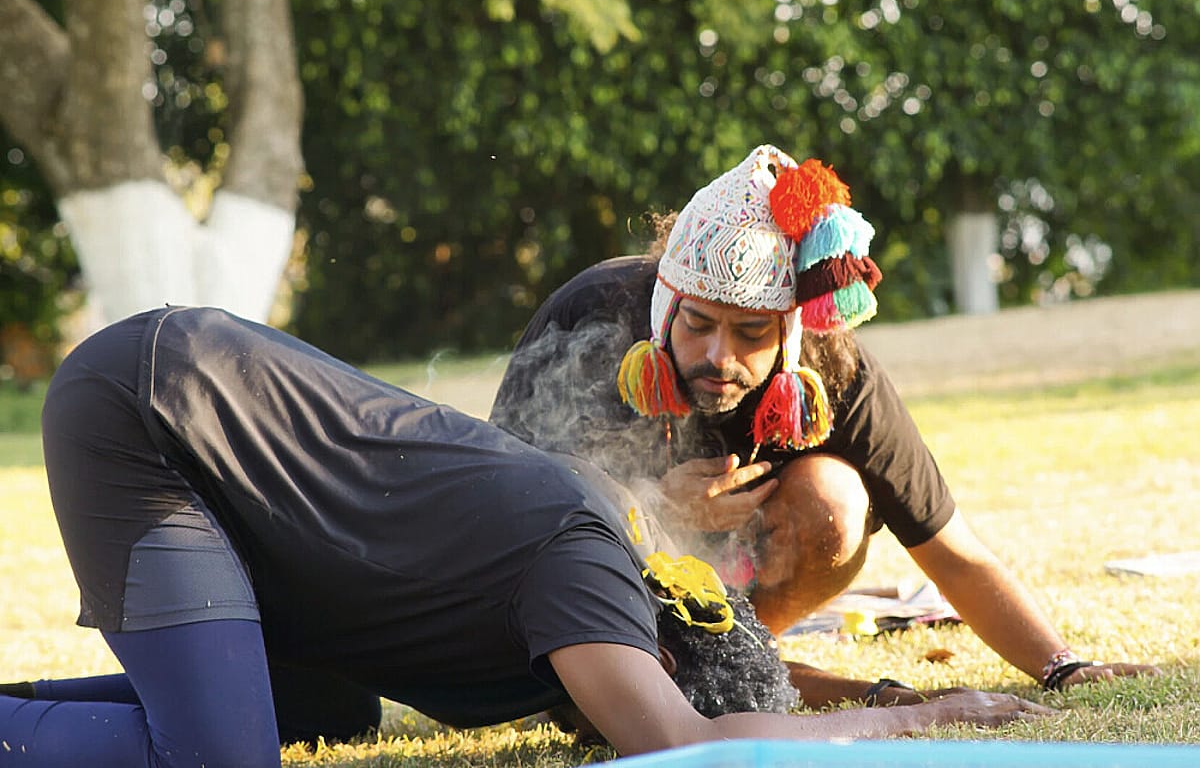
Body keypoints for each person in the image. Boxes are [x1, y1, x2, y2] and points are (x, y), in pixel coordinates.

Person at [0, 305, 1050, 768]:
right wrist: (928, 716)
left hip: (216, 418)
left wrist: (866, 691)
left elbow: (710, 693)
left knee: (331, 712)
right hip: (146, 417)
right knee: (222, 760)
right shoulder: (589, 583)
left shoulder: (623, 559)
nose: (601, 718)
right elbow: (683, 740)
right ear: (658, 656)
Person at [490, 144, 1160, 706]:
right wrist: (650, 509)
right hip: (587, 595)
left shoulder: (834, 367)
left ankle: (748, 654)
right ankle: (769, 681)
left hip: (734, 586)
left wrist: (1062, 668)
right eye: (696, 324)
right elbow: (504, 499)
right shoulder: (595, 314)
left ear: (789, 333)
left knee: (836, 498)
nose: (718, 356)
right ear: (666, 305)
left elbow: (952, 550)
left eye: (750, 331)